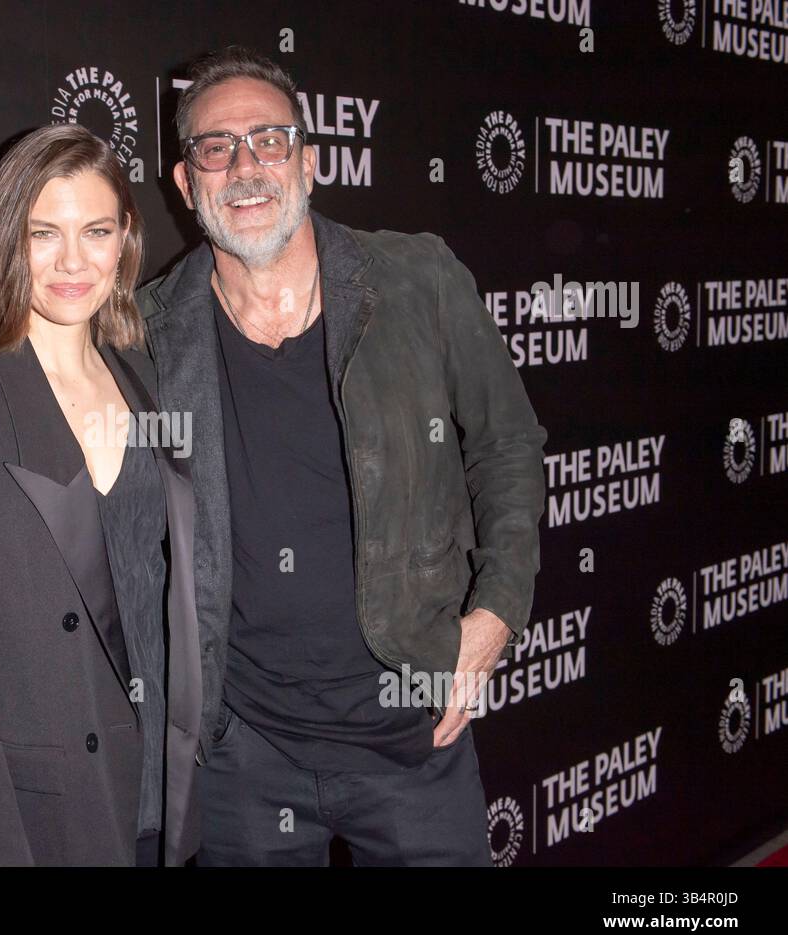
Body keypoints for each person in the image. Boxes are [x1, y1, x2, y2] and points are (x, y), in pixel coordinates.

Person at [135, 46, 548, 866]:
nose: (245, 166)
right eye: (217, 148)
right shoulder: (147, 332)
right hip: (242, 759)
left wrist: (494, 616)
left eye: (270, 141)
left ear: (311, 163)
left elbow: (507, 446)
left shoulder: (417, 279)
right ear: (186, 185)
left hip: (413, 738)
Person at [0, 124, 201, 866]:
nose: (72, 261)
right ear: (3, 239)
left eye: (96, 231)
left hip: (165, 788)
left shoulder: (144, 379)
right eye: (43, 233)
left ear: (124, 239)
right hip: (47, 810)